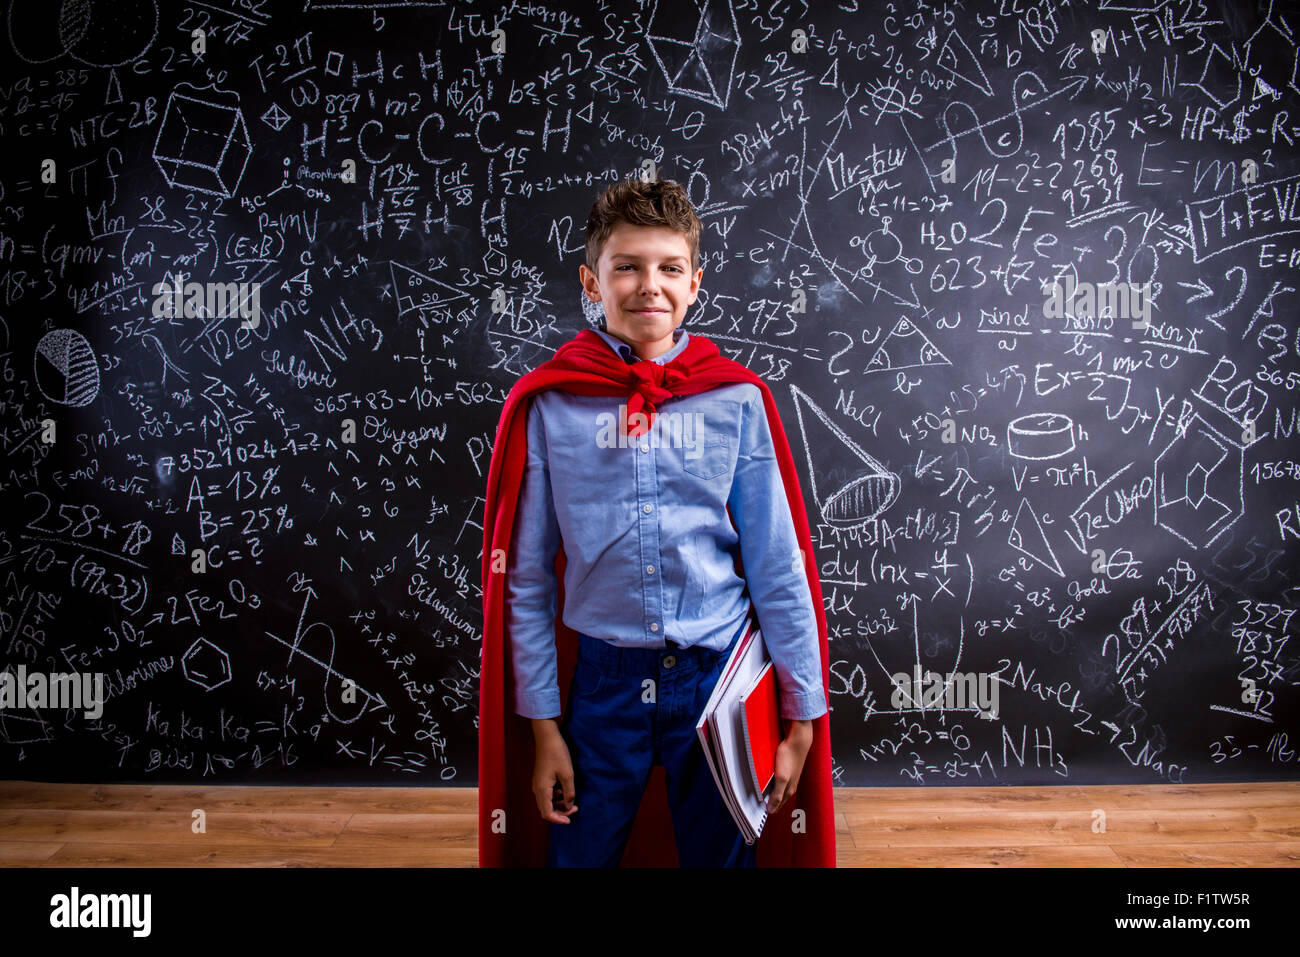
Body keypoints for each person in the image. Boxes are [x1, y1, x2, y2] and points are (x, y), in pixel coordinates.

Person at [479, 177, 835, 867]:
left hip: (719, 682)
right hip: (603, 689)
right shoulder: (551, 405)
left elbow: (777, 564)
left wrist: (802, 712)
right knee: (578, 856)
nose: (650, 286)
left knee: (721, 859)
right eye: (627, 267)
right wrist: (544, 729)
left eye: (670, 268)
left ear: (695, 281)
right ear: (592, 280)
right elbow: (524, 577)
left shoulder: (737, 400)